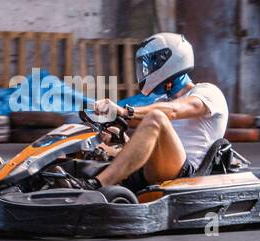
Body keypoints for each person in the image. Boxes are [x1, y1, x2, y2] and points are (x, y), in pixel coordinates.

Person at [90, 32, 228, 192]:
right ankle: (71, 181)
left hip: (186, 174)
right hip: (154, 166)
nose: (145, 70)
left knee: (156, 117)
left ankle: (98, 184)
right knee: (99, 140)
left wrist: (125, 111)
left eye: (151, 63)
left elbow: (175, 110)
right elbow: (142, 131)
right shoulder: (161, 101)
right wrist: (117, 130)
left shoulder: (207, 92)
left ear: (171, 61)